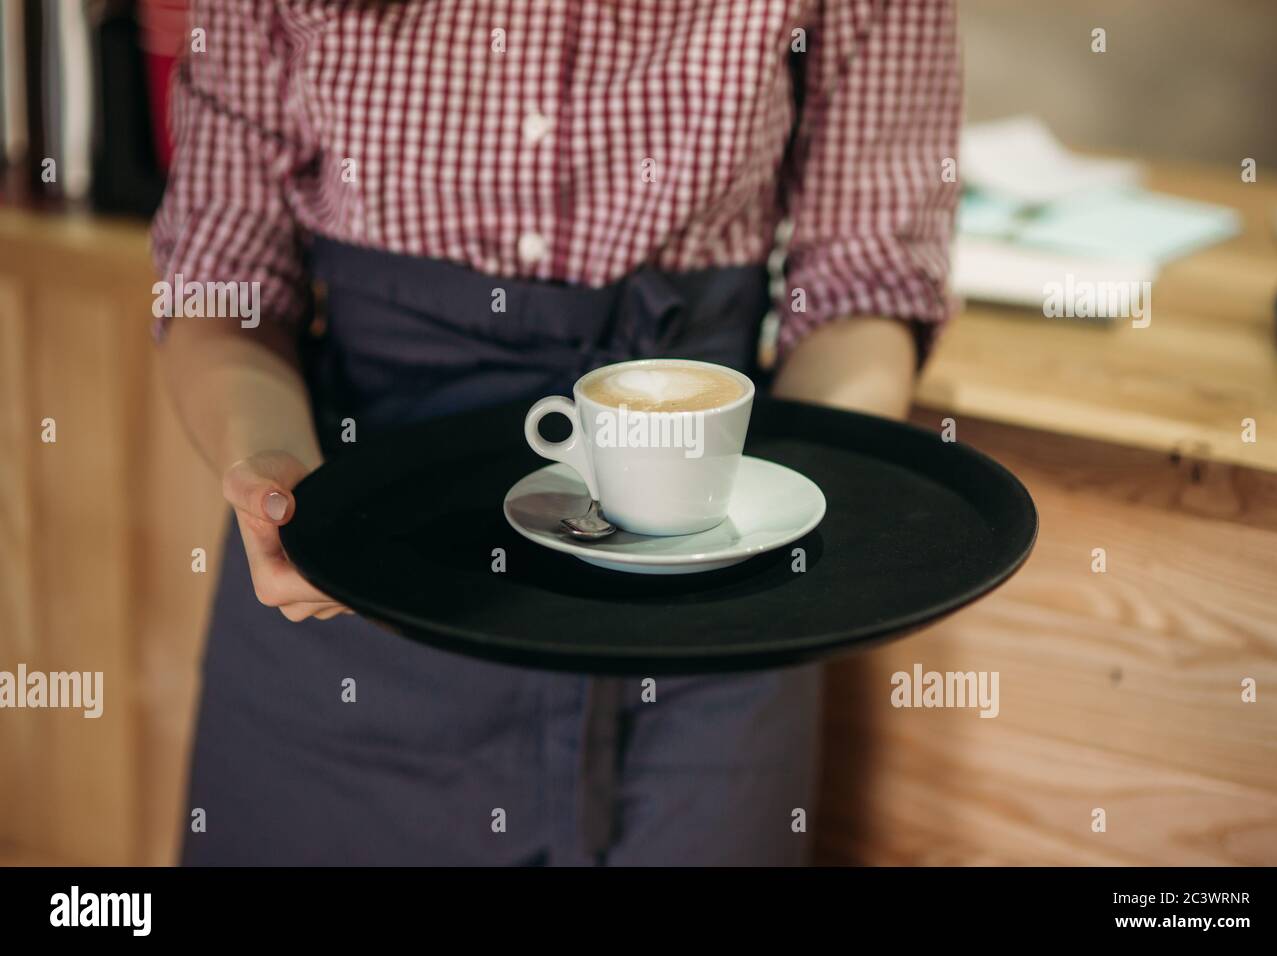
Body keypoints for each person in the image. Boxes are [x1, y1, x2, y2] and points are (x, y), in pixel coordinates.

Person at [152, 0, 960, 865]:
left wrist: (787, 508)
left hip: (714, 624)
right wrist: (280, 478)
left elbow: (863, 278)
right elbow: (223, 280)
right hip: (359, 594)